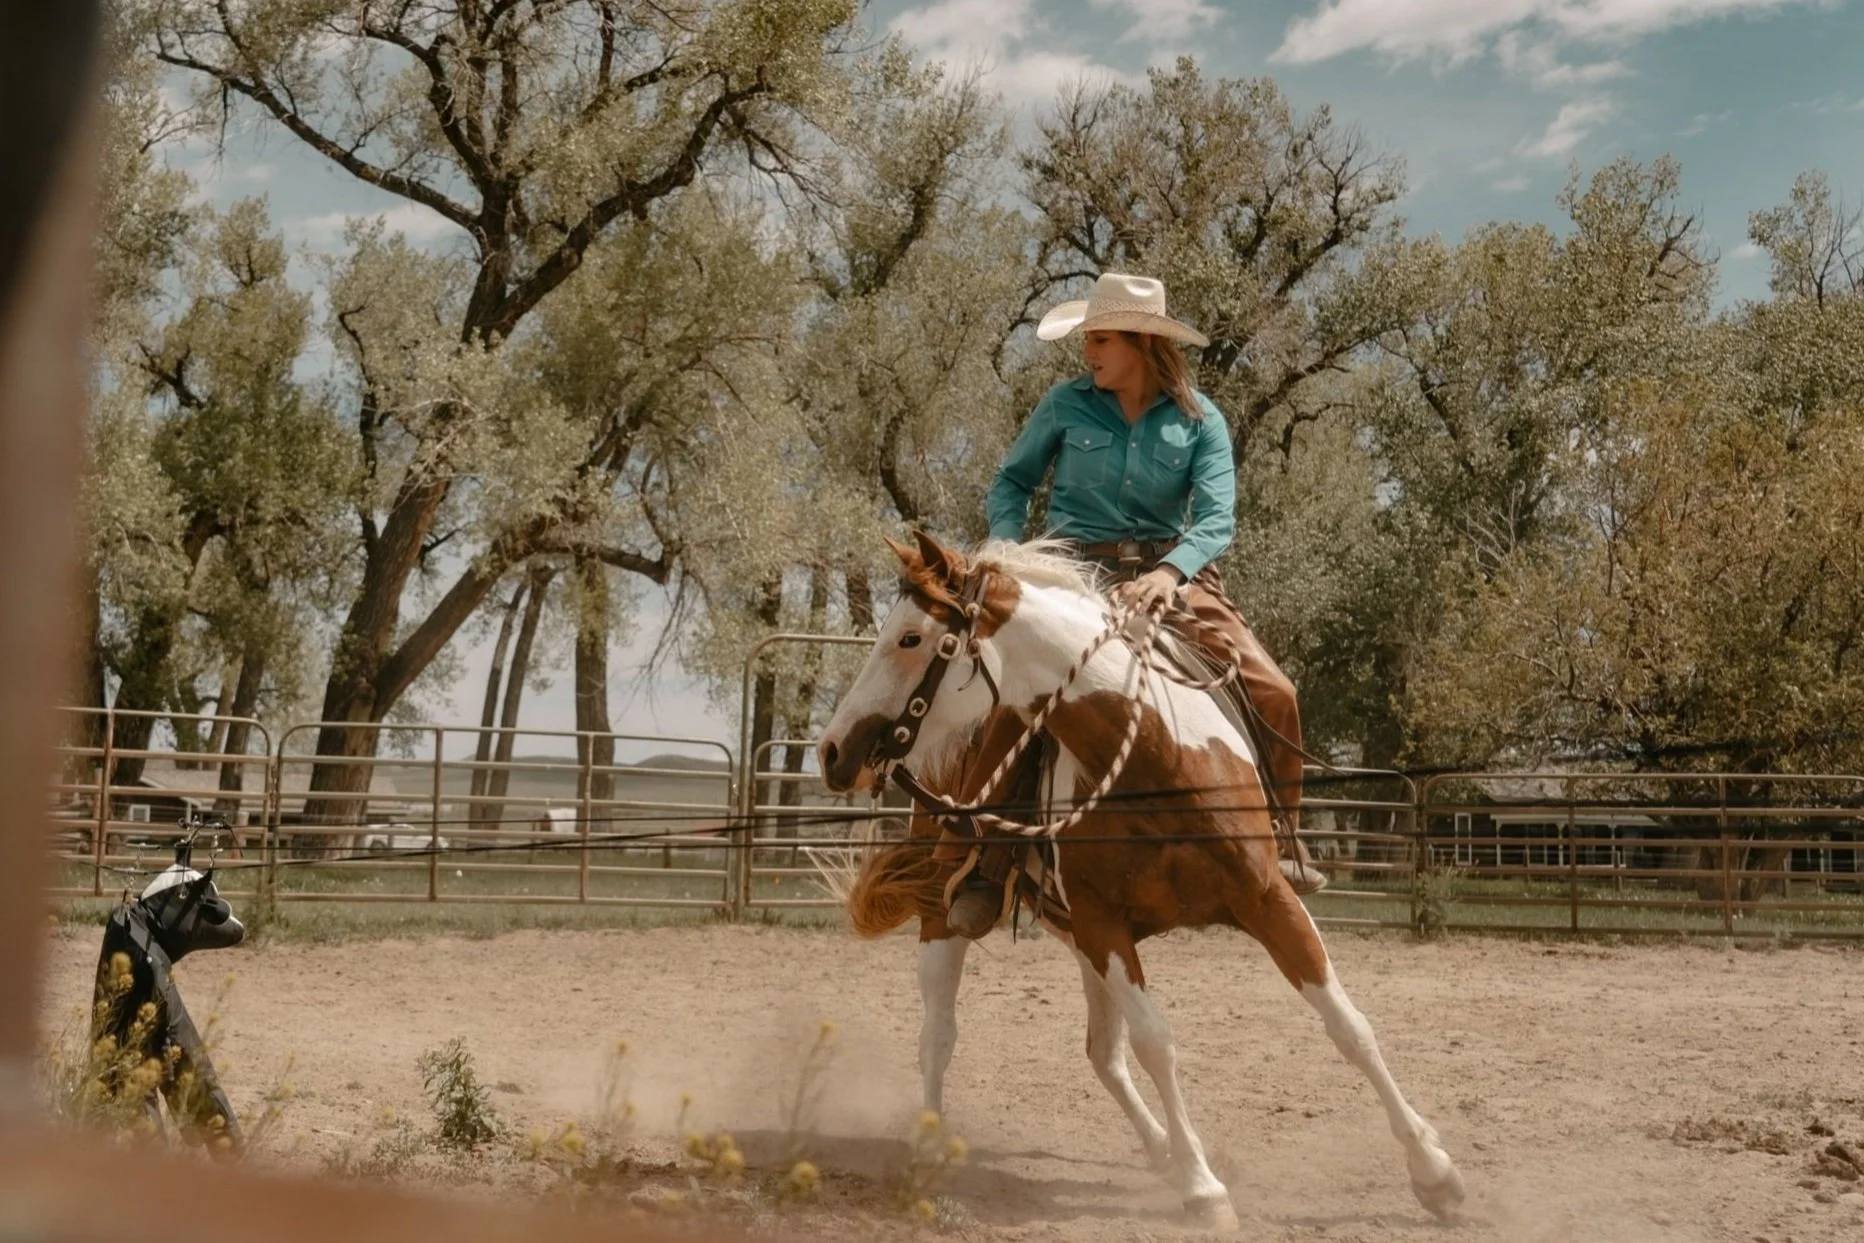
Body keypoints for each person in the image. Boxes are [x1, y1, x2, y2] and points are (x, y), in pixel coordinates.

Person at [943, 272, 1324, 940]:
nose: (1088, 349)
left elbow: (1216, 518)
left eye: (1102, 337)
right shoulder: (1065, 406)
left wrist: (1172, 572)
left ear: (1143, 344)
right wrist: (1009, 552)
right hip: (1072, 574)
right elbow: (1012, 481)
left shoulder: (1200, 420)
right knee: (1022, 698)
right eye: (1088, 336)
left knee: (1276, 691)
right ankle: (986, 862)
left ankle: (1283, 844)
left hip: (1174, 578)